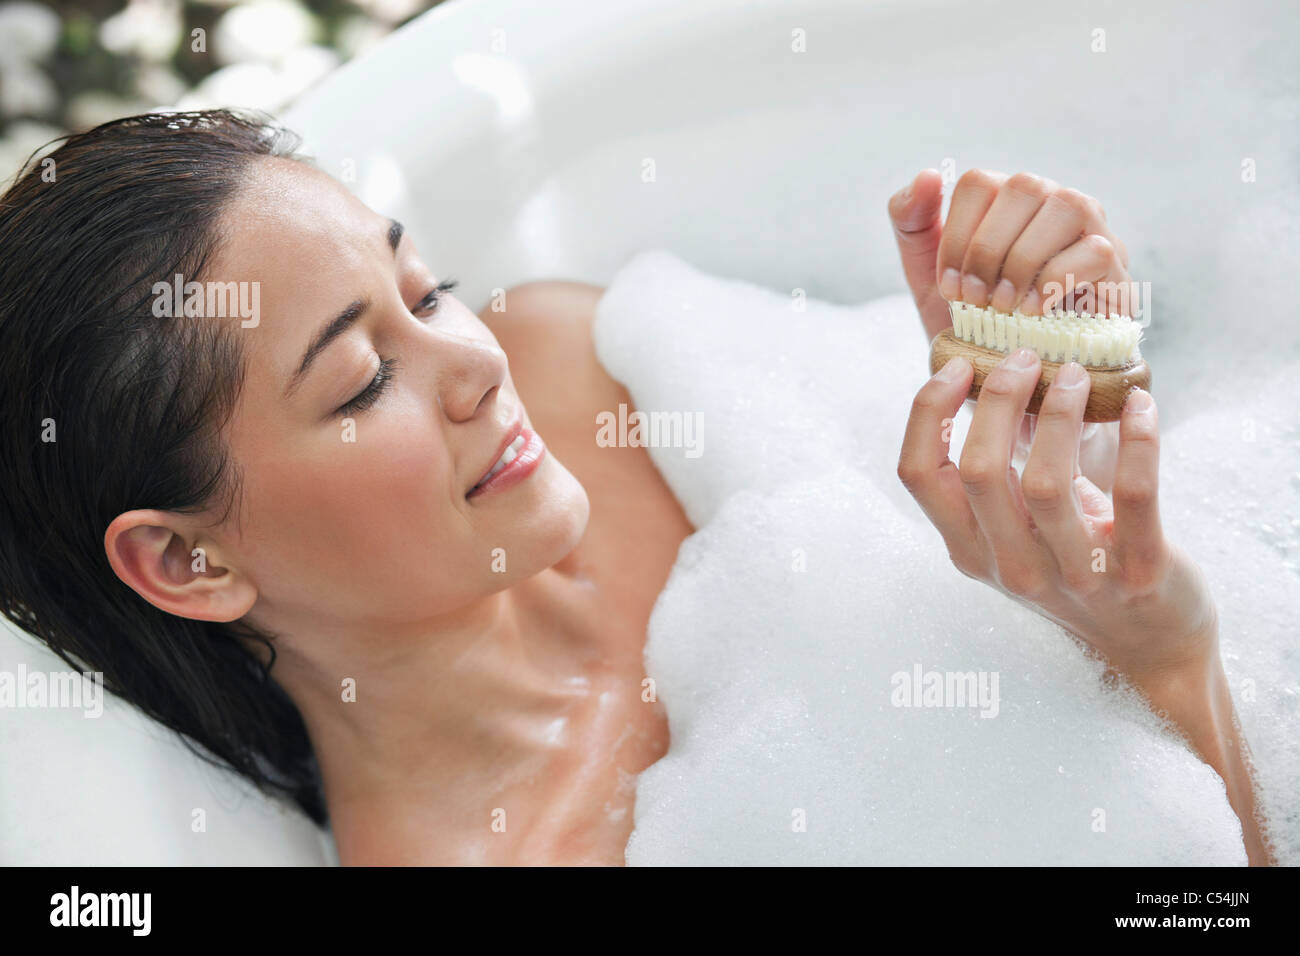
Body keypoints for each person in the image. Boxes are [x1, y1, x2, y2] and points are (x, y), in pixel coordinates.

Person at [0, 111, 1270, 864]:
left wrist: (1069, 385)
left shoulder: (583, 365)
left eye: (426, 289)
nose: (474, 361)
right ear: (188, 561)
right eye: (356, 381)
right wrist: (1166, 659)